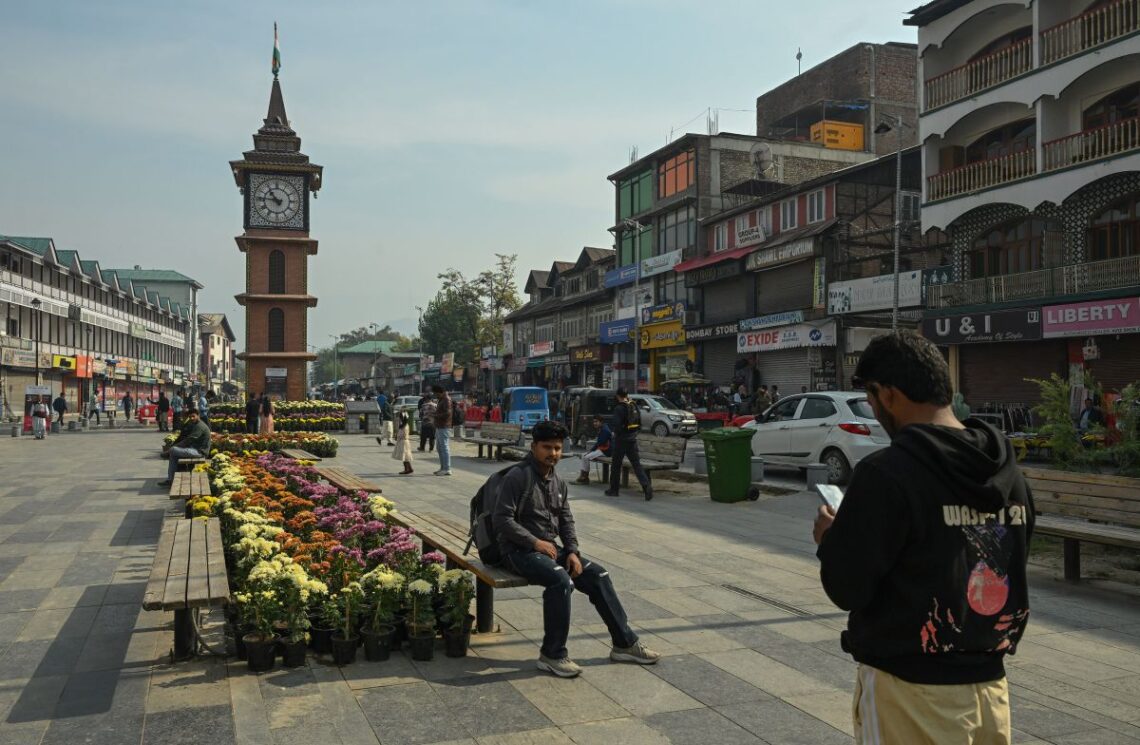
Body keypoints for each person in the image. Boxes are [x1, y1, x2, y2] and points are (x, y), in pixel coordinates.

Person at [812, 332, 1033, 745]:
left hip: (911, 693)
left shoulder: (886, 473)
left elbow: (848, 587)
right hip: (991, 691)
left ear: (888, 394)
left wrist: (832, 540)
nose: (876, 412)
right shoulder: (1007, 474)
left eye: (873, 400)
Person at [493, 420, 660, 678]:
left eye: (558, 448)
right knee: (560, 580)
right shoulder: (518, 477)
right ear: (534, 446)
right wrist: (534, 542)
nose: (553, 454)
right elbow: (502, 520)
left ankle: (624, 644)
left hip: (551, 550)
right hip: (517, 551)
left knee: (598, 576)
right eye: (547, 447)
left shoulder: (558, 481)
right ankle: (552, 654)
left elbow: (566, 519)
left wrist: (572, 551)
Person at [606, 388, 652, 500]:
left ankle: (614, 490)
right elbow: (639, 423)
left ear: (618, 396)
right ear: (627, 395)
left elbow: (616, 425)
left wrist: (615, 433)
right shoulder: (633, 405)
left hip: (621, 441)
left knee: (616, 465)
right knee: (637, 465)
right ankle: (646, 486)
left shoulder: (619, 408)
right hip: (632, 440)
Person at [158, 408, 211, 488]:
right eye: (190, 417)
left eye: (193, 416)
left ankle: (167, 454)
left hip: (200, 452)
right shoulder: (196, 424)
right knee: (173, 454)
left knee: (173, 450)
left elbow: (189, 440)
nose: (192, 418)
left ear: (198, 415)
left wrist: (175, 446)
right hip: (195, 449)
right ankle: (170, 479)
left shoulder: (200, 426)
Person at [575, 415, 612, 485]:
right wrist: (591, 451)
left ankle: (584, 477)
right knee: (583, 455)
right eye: (594, 422)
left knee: (586, 457)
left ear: (601, 422)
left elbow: (599, 443)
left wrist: (591, 450)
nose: (594, 423)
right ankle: (583, 475)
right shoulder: (602, 428)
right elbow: (599, 443)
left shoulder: (605, 430)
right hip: (602, 449)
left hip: (606, 451)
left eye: (596, 422)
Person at [432, 385, 453, 476]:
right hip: (439, 425)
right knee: (439, 448)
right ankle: (442, 467)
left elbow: (448, 413)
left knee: (444, 447)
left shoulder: (446, 399)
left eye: (435, 393)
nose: (435, 395)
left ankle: (447, 468)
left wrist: (436, 415)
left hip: (444, 426)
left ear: (439, 392)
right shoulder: (442, 399)